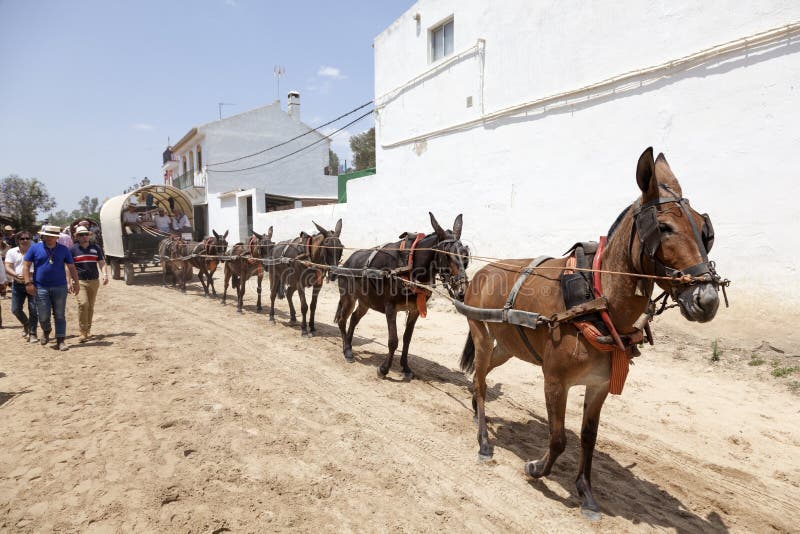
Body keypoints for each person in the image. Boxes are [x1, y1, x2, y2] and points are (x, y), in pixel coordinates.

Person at [23, 224, 80, 351]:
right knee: (43, 315)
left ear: (57, 238)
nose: (49, 238)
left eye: (52, 236)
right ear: (43, 235)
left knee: (60, 314)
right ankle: (46, 329)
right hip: (41, 287)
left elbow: (71, 267)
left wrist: (76, 283)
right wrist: (28, 283)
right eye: (47, 235)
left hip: (60, 286)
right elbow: (26, 266)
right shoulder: (35, 248)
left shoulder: (64, 249)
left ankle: (61, 340)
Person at [70, 226, 108, 342]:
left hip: (94, 281)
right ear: (77, 237)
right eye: (81, 235)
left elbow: (101, 262)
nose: (84, 236)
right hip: (79, 281)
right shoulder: (72, 250)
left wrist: (105, 274)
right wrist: (70, 281)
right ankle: (82, 332)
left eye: (86, 234)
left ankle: (88, 331)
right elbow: (69, 267)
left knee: (90, 307)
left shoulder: (96, 248)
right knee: (83, 304)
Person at [4, 231, 39, 342]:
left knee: (33, 310)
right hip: (18, 284)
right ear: (18, 240)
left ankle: (33, 333)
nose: (25, 240)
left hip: (33, 283)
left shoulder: (37, 251)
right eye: (22, 239)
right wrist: (15, 274)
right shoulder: (12, 252)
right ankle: (26, 323)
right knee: (15, 309)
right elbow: (7, 266)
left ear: (31, 239)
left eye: (27, 238)